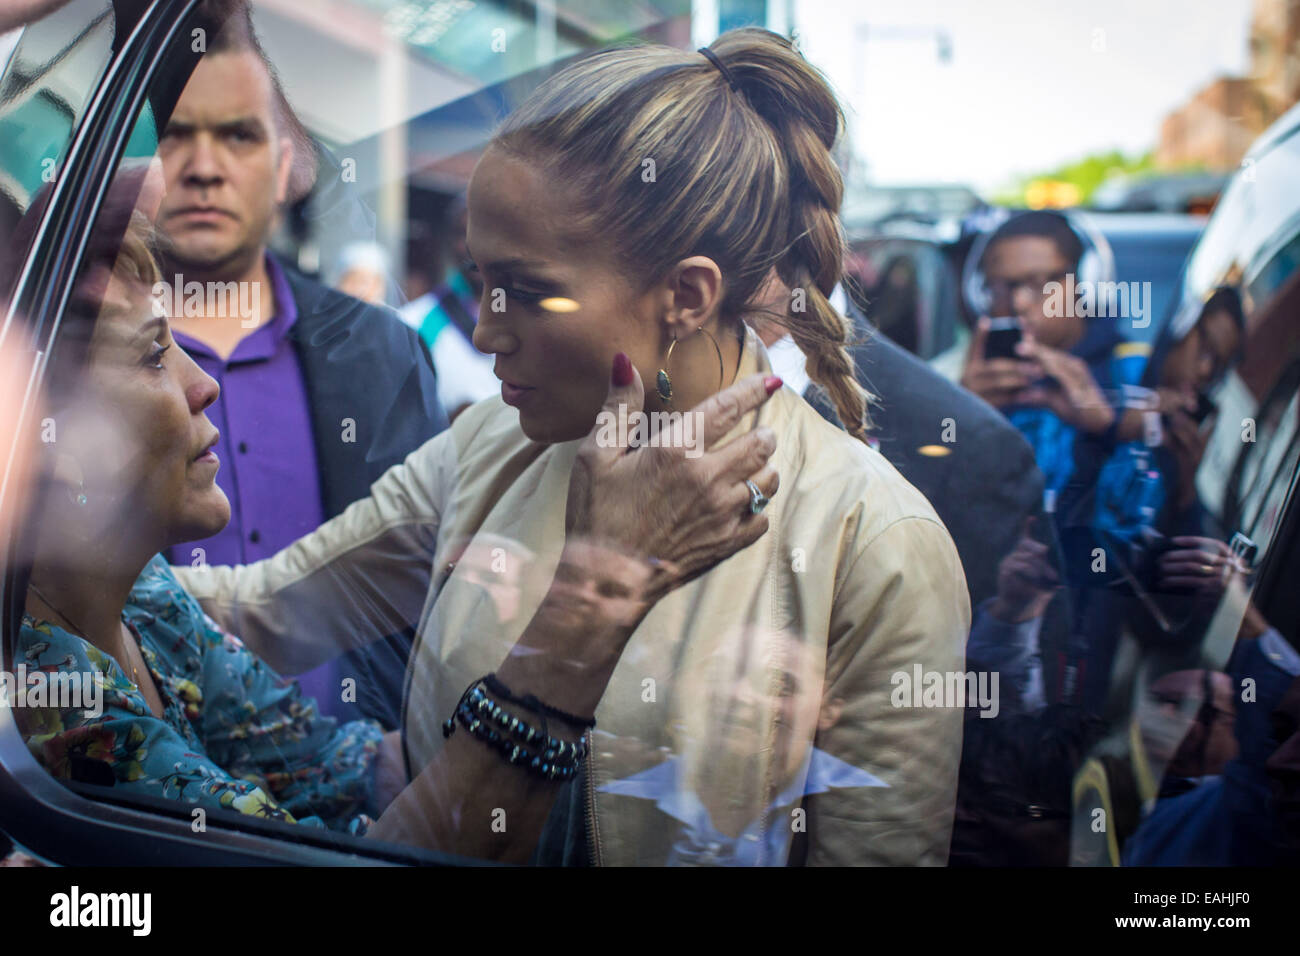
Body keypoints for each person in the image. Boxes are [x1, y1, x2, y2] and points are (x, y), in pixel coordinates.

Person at [180, 27, 970, 866]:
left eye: (525, 293)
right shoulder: (489, 445)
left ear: (687, 296)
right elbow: (267, 609)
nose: (484, 332)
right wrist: (43, 569)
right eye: (481, 284)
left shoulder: (874, 542)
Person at [6, 168, 784, 861]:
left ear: (687, 297)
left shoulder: (146, 596)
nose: (202, 383)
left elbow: (325, 760)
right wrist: (581, 619)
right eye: (151, 355)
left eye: (531, 287)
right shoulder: (52, 698)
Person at [152, 10, 447, 725]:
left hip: (349, 802)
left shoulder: (382, 351)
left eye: (238, 135)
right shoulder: (83, 352)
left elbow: (425, 582)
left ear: (286, 169)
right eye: (176, 136)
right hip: (139, 788)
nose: (203, 166)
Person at [957, 211, 1145, 510]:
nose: (1018, 302)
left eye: (1039, 283)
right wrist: (961, 415)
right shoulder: (968, 379)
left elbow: (1158, 517)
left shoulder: (1138, 375)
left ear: (1086, 283)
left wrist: (1109, 429)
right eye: (1001, 286)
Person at [398, 195, 498, 421]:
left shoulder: (540, 321)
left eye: (487, 232)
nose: (474, 247)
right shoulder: (413, 324)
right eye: (464, 233)